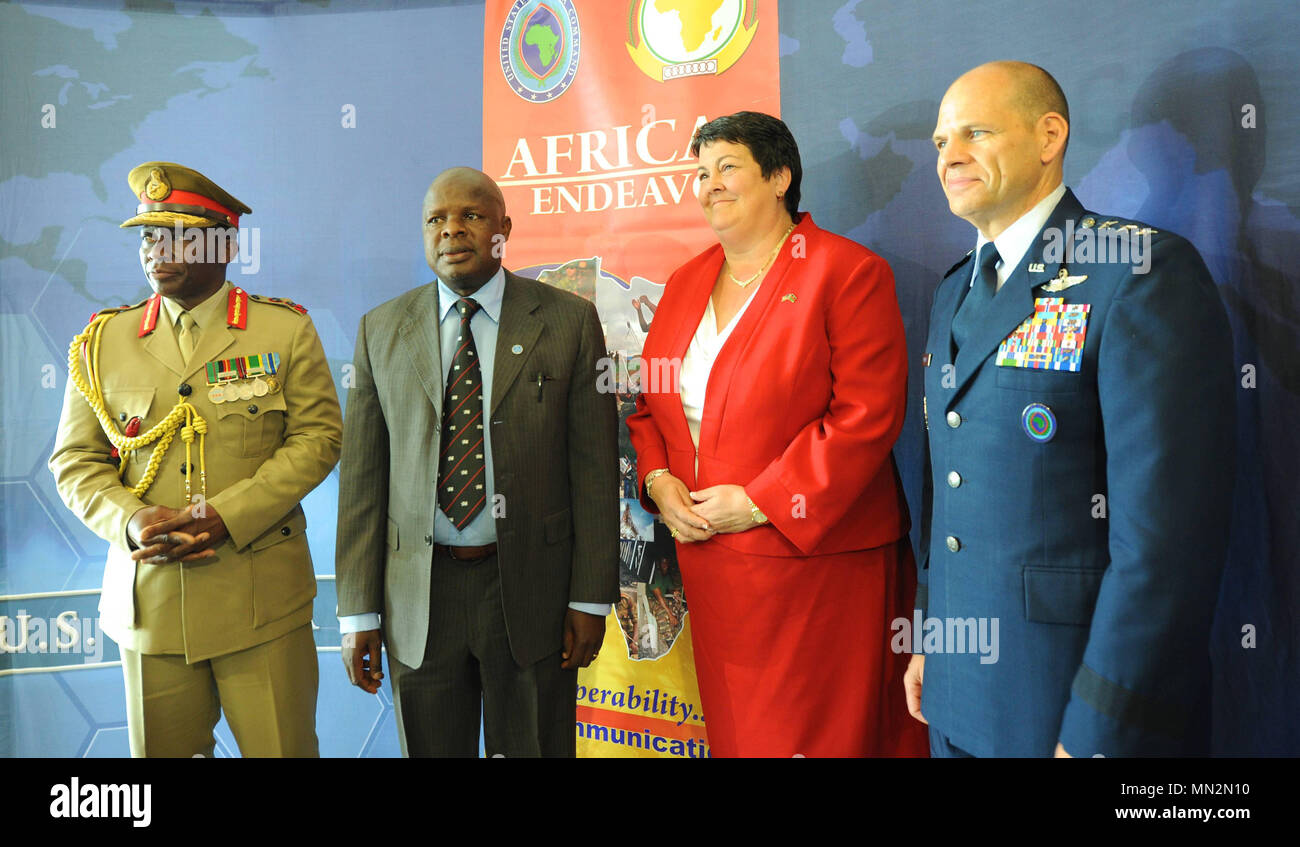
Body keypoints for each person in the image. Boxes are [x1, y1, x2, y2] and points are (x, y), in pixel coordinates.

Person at [909, 61, 1235, 757]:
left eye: (976, 132)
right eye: (940, 141)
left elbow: (1166, 548)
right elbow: (945, 499)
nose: (950, 156)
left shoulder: (1137, 274)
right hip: (958, 698)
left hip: (1068, 708)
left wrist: (1101, 730)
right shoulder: (952, 293)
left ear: (1049, 134)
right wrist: (932, 640)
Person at [626, 112, 928, 757]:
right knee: (745, 738)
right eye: (700, 172)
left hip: (816, 565)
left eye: (727, 167)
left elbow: (866, 416)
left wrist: (763, 499)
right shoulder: (684, 284)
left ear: (781, 175)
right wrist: (659, 481)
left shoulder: (845, 271)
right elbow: (647, 410)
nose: (710, 185)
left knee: (821, 738)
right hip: (712, 565)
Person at [49, 161, 343, 757]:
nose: (158, 250)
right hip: (150, 605)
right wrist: (130, 518)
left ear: (225, 242)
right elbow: (75, 461)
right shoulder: (104, 341)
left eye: (179, 234)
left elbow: (318, 439)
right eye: (148, 236)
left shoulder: (282, 331)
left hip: (260, 602)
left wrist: (226, 515)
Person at [335, 167, 618, 757]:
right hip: (420, 596)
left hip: (530, 592)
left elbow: (594, 470)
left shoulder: (567, 321)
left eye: (471, 216)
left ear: (503, 229)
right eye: (436, 219)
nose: (451, 230)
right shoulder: (380, 330)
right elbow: (363, 483)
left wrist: (590, 597)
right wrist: (357, 610)